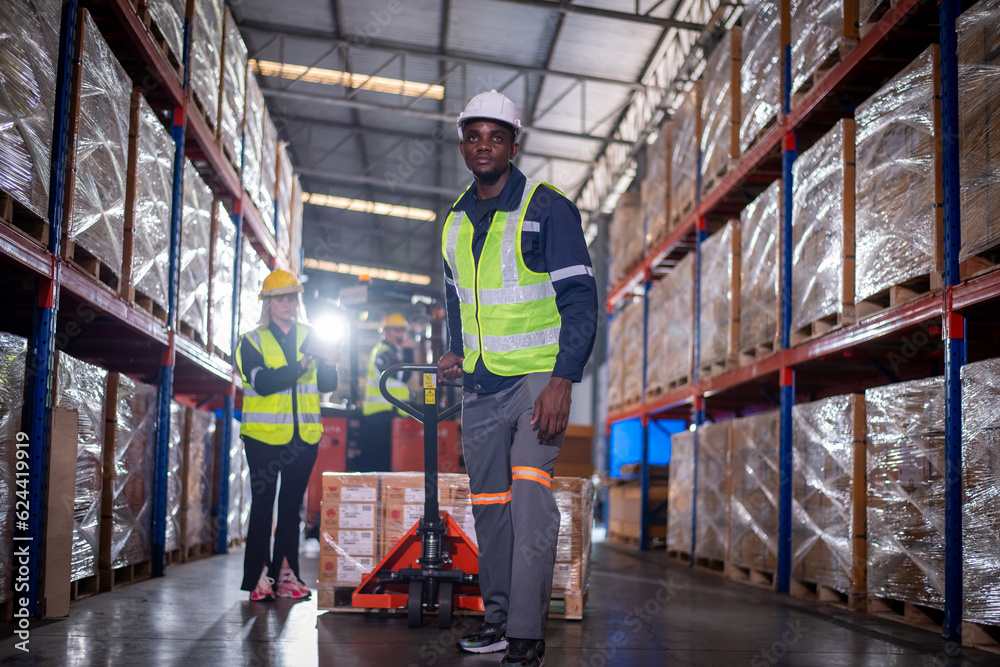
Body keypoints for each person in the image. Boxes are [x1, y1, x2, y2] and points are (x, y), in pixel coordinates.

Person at [438, 90, 597, 667]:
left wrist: (563, 379)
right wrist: (455, 349)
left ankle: (528, 637)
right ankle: (499, 620)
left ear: (513, 144)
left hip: (536, 383)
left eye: (496, 136)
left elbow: (580, 298)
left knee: (531, 499)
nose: (484, 145)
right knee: (490, 505)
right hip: (479, 389)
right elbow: (454, 296)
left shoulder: (547, 208)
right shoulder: (455, 219)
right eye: (474, 136)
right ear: (463, 144)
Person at [235, 269, 340, 601]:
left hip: (303, 437)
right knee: (263, 507)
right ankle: (258, 578)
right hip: (263, 438)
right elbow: (262, 383)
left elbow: (327, 385)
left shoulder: (311, 334)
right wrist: (301, 364)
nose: (288, 303)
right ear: (267, 303)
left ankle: (285, 574)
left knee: (291, 508)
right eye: (280, 298)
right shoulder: (250, 341)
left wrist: (330, 364)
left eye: (292, 297)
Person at [360, 313, 414, 471]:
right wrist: (409, 351)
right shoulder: (383, 352)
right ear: (386, 332)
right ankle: (379, 494)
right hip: (380, 414)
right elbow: (404, 375)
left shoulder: (393, 351)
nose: (400, 334)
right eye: (396, 331)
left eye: (402, 331)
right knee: (381, 461)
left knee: (390, 460)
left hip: (390, 413)